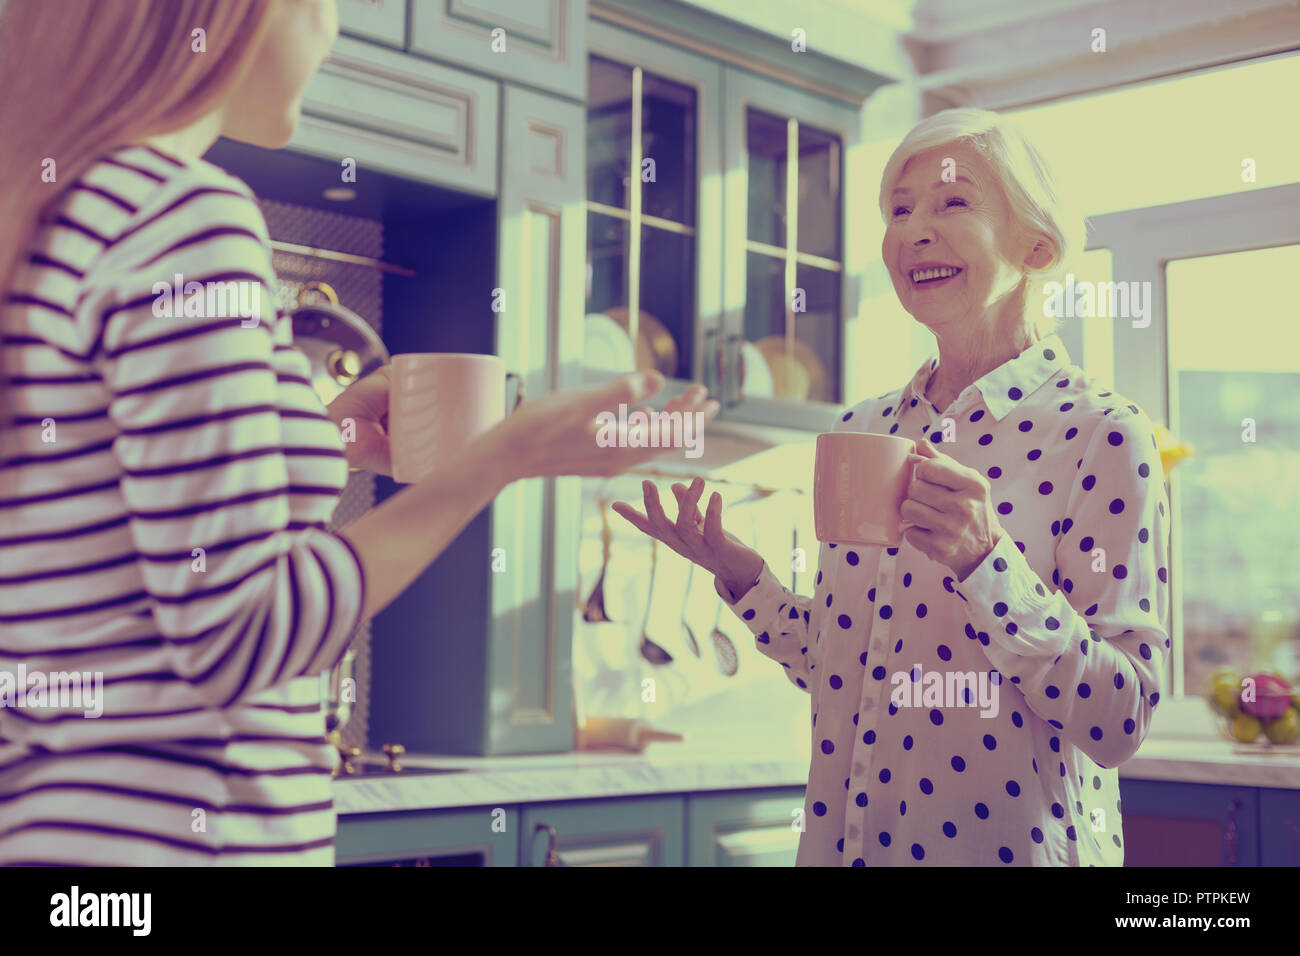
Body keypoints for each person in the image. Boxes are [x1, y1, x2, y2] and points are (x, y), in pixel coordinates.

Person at [0, 0, 719, 865]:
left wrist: (324, 439)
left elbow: (110, 526)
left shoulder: (57, 215)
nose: (332, 29)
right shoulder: (190, 224)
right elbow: (240, 635)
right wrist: (505, 455)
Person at [616, 107, 1172, 866]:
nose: (913, 229)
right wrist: (744, 580)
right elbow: (846, 663)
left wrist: (988, 564)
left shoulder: (1102, 434)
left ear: (1037, 246)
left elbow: (1120, 719)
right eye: (899, 209)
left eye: (952, 202)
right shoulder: (866, 428)